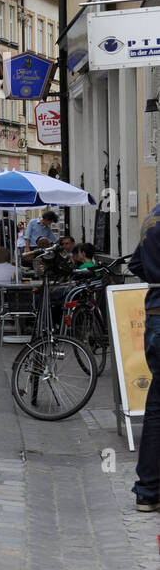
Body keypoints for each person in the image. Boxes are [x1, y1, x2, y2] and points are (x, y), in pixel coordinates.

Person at [128, 208, 160, 512]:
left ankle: (148, 490)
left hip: (155, 316)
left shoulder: (152, 218)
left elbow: (136, 263)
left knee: (156, 405)